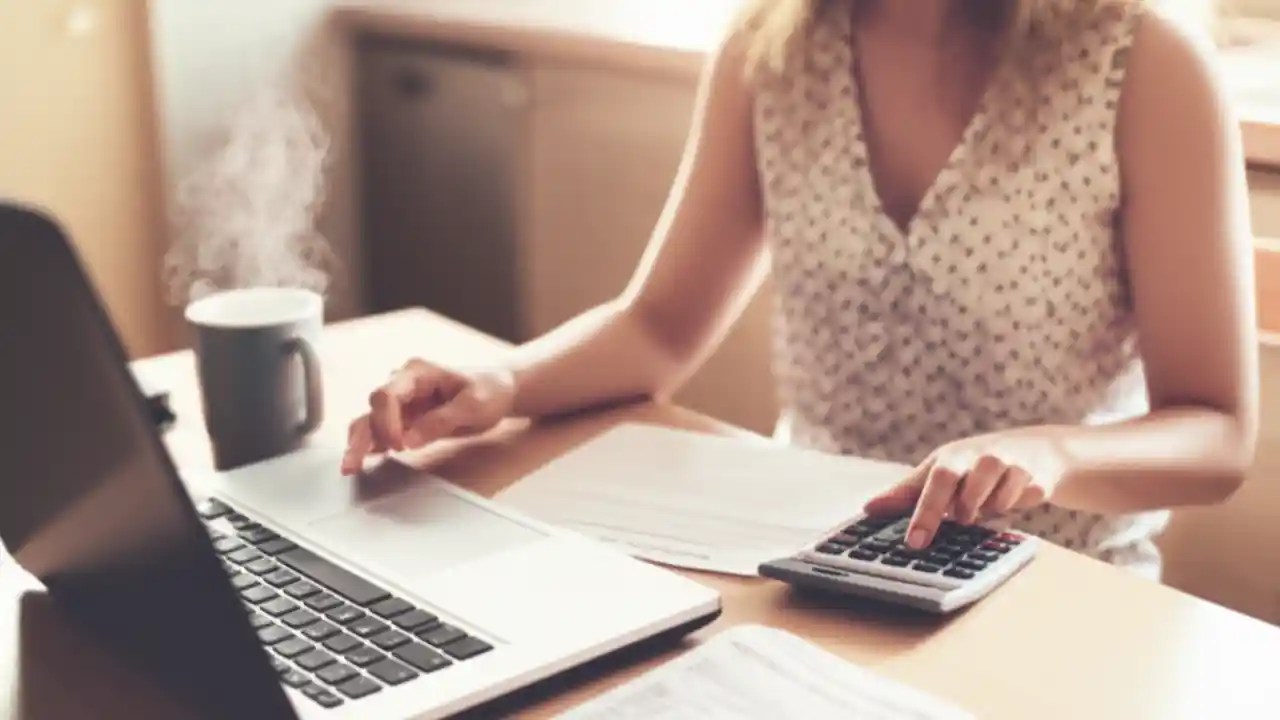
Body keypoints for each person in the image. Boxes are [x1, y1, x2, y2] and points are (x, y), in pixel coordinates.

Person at [341, 0, 1258, 580]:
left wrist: (1050, 454)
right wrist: (502, 384)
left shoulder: (1145, 59)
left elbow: (1215, 431)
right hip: (808, 566)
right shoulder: (772, 46)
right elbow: (659, 325)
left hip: (1051, 585)